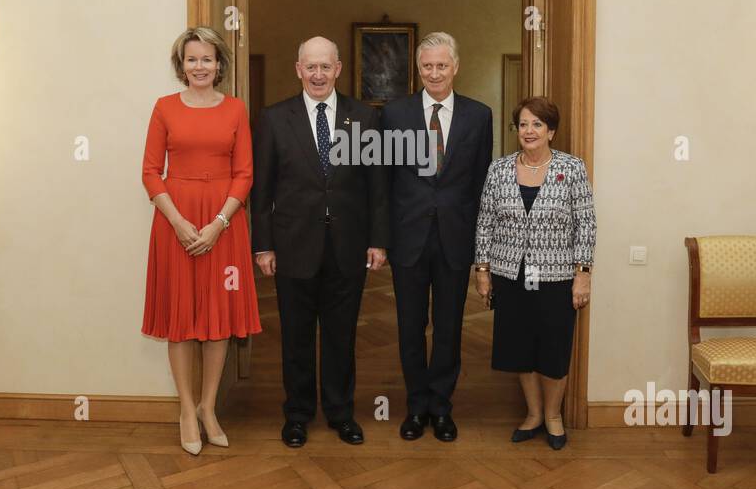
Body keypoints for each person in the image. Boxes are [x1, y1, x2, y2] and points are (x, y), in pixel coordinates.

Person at [250, 36, 388, 448]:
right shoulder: (275, 119)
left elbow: (377, 187)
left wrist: (378, 240)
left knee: (341, 336)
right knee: (295, 337)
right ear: (298, 70)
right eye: (310, 66)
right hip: (293, 245)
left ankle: (341, 413)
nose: (318, 74)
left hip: (348, 246)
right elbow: (262, 190)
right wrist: (263, 245)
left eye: (325, 66)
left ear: (338, 69)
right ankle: (297, 415)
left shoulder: (364, 117)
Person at [141, 27, 261, 455]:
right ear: (181, 65)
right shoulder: (164, 108)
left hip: (223, 225)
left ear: (219, 64)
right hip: (175, 223)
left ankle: (209, 408)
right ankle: (186, 411)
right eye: (192, 59)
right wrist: (178, 222)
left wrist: (218, 224)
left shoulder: (235, 109)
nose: (199, 66)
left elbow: (244, 174)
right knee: (181, 317)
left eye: (207, 59)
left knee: (218, 317)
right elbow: (150, 172)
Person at [382, 33, 492, 442]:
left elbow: (481, 184)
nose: (434, 73)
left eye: (441, 65)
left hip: (455, 238)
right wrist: (381, 239)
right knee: (410, 326)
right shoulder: (394, 113)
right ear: (418, 69)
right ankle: (416, 407)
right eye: (427, 66)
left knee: (449, 327)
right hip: (407, 238)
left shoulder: (479, 115)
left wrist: (481, 249)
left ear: (455, 67)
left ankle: (441, 407)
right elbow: (384, 182)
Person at [473, 96, 596, 450]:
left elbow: (586, 224)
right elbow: (485, 222)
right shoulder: (499, 169)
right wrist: (482, 270)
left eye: (537, 124)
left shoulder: (572, 168)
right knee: (519, 346)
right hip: (510, 273)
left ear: (551, 131)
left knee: (554, 347)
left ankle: (554, 416)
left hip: (556, 276)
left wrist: (583, 274)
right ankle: (533, 414)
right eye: (523, 124)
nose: (529, 131)